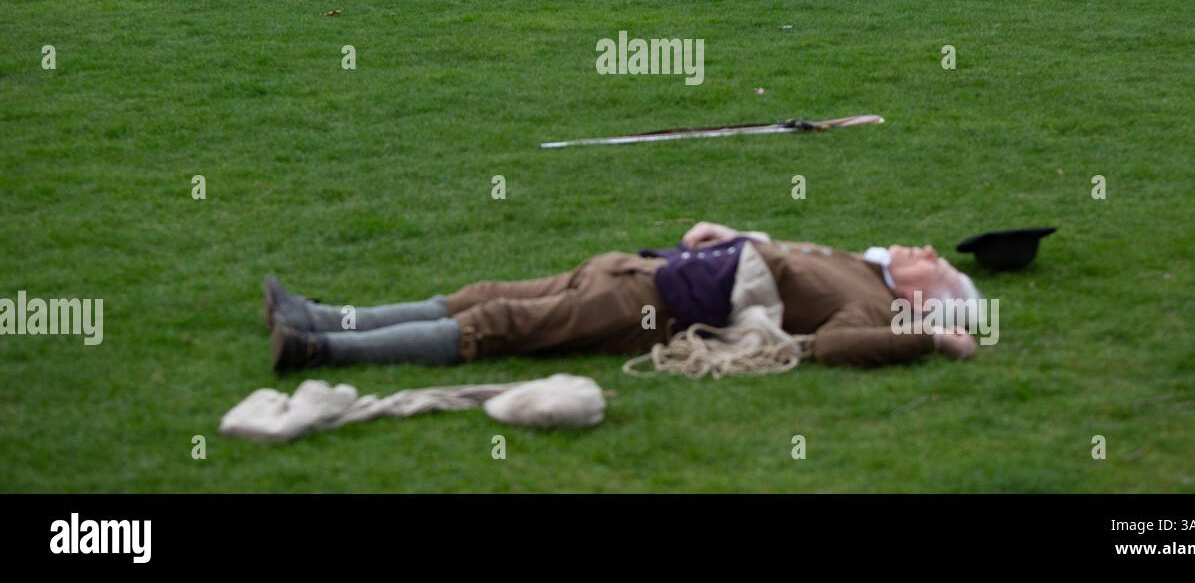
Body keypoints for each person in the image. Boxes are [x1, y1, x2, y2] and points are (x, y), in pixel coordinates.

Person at [263, 221, 981, 372]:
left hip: (658, 306)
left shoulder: (882, 310)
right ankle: (320, 315)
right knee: (481, 292)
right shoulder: (863, 262)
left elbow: (832, 345)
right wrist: (728, 230)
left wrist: (931, 338)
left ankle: (319, 349)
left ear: (929, 300)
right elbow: (776, 255)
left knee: (499, 323)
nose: (928, 249)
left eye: (938, 264)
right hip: (642, 269)